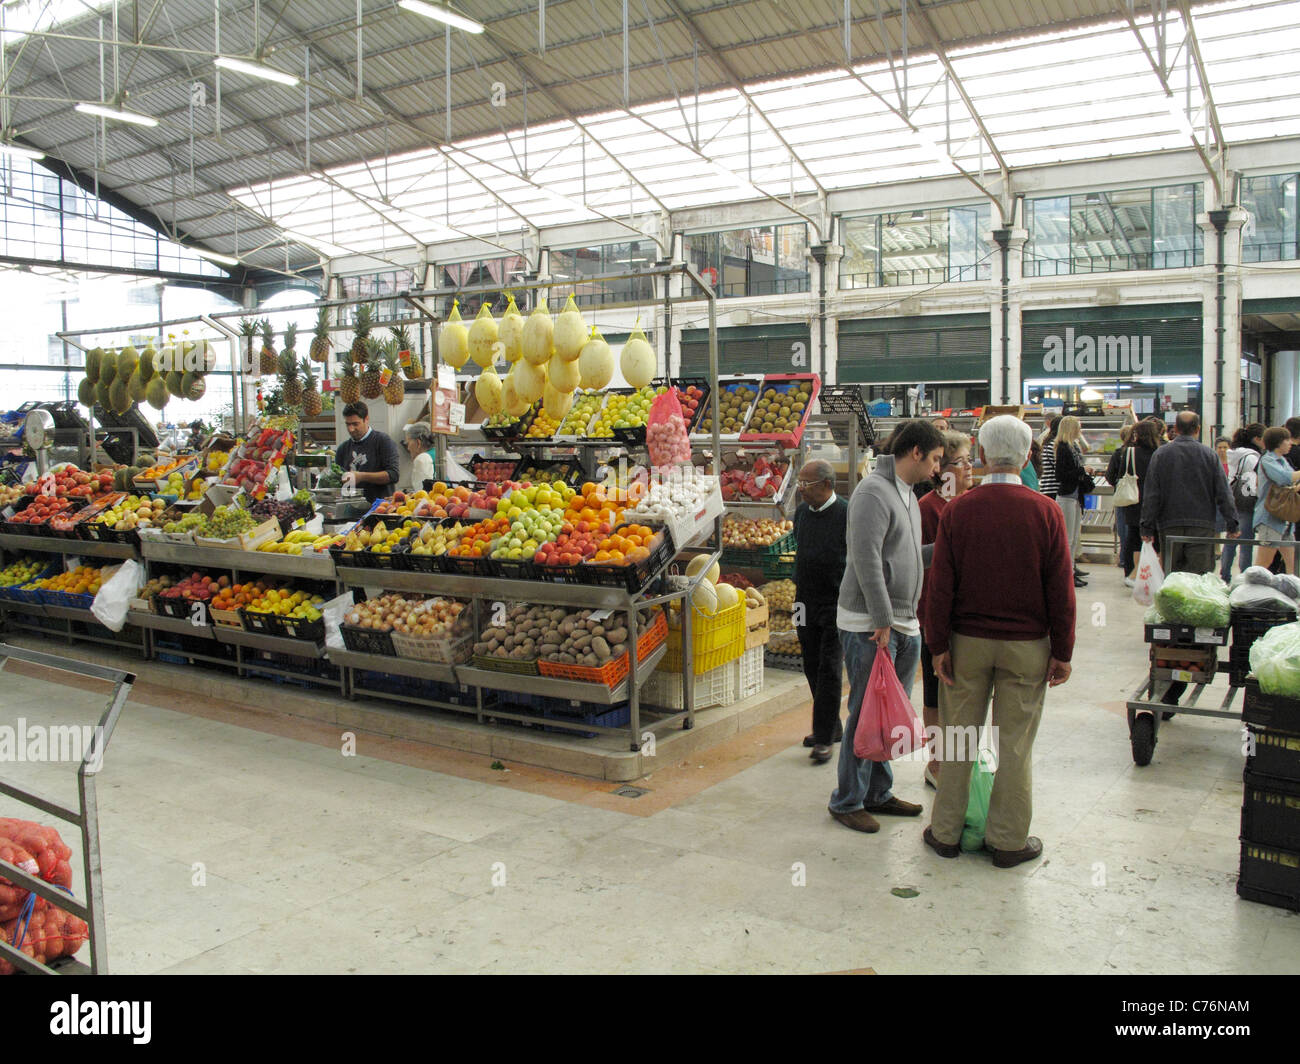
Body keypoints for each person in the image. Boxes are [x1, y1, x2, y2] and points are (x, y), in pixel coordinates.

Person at [922, 415, 1075, 868]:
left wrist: (938, 647)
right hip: (1027, 646)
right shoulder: (1045, 512)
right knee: (1015, 744)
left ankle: (946, 832)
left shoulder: (959, 511)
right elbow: (1060, 589)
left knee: (957, 738)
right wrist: (1062, 651)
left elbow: (940, 587)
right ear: (1028, 456)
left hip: (967, 643)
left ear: (982, 456)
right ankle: (1008, 841)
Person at [828, 419, 944, 835]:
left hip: (902, 622)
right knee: (865, 712)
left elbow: (908, 555)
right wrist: (880, 619)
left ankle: (878, 792)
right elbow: (866, 559)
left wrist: (948, 546)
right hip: (871, 625)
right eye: (934, 459)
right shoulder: (872, 493)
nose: (936, 469)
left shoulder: (909, 495)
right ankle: (847, 800)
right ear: (915, 452)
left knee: (887, 715)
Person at [1141, 410, 1239, 707]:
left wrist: (1147, 526)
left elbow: (1152, 492)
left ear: (1174, 429)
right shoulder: (1209, 455)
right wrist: (1232, 523)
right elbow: (1222, 491)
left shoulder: (1162, 455)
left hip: (1169, 529)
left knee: (1173, 590)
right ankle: (1195, 643)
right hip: (1201, 529)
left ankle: (1171, 641)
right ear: (1197, 429)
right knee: (1198, 590)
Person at [918, 431, 974, 788]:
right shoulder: (928, 508)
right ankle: (936, 763)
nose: (968, 467)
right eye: (960, 462)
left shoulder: (973, 503)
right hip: (934, 614)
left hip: (969, 616)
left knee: (966, 693)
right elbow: (919, 563)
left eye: (970, 460)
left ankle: (965, 761)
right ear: (941, 470)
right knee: (936, 694)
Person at [792, 460, 849, 764]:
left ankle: (824, 737)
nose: (801, 490)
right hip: (803, 602)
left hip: (835, 603)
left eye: (807, 484)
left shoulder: (846, 513)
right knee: (810, 664)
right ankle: (832, 726)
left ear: (827, 484)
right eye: (799, 483)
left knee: (829, 667)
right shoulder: (801, 513)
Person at [1107, 419, 1162, 586]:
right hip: (1155, 501)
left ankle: (1131, 574)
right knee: (1156, 538)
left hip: (1134, 500)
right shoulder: (1160, 454)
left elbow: (1115, 477)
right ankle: (1153, 573)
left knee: (1133, 537)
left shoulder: (1129, 453)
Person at [1221, 424, 1265, 581]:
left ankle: (1224, 575)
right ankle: (1246, 577)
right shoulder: (1252, 457)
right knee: (1246, 542)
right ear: (1257, 439)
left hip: (1232, 499)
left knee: (1230, 539)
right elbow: (1254, 482)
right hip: (1246, 502)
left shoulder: (1233, 453)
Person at [1253, 426, 1300, 574]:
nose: (1290, 443)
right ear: (1278, 442)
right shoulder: (1267, 460)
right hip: (1269, 517)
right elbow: (1284, 478)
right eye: (1287, 440)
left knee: (1292, 563)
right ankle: (1249, 591)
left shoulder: (1282, 460)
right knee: (1263, 562)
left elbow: (1291, 481)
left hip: (1284, 518)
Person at [335, 401, 401, 504]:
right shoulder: (343, 449)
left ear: (366, 419)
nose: (351, 429)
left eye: (355, 424)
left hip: (379, 509)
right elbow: (337, 481)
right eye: (348, 424)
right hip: (350, 510)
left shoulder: (383, 441)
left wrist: (361, 476)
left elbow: (393, 475)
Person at [1053, 415, 1089, 588]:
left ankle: (1072, 571)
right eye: (1078, 428)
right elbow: (1060, 475)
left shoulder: (1072, 447)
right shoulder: (1063, 448)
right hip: (1067, 496)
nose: (1080, 431)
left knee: (1074, 537)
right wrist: (1081, 470)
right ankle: (1067, 574)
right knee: (1068, 538)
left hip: (1074, 496)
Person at [1106, 424, 1135, 573]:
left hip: (1122, 494)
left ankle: (1123, 557)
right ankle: (1133, 557)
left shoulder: (1118, 453)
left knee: (1123, 526)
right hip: (1137, 496)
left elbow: (1110, 475)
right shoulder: (1138, 452)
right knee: (1133, 527)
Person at [402, 422, 439, 492]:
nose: (408, 448)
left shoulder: (422, 459)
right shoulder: (439, 453)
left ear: (418, 443)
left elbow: (421, 492)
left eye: (408, 443)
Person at [1037, 416, 1061, 501]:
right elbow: (1060, 468)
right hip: (1054, 489)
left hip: (1045, 487)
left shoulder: (1046, 443)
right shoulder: (1055, 445)